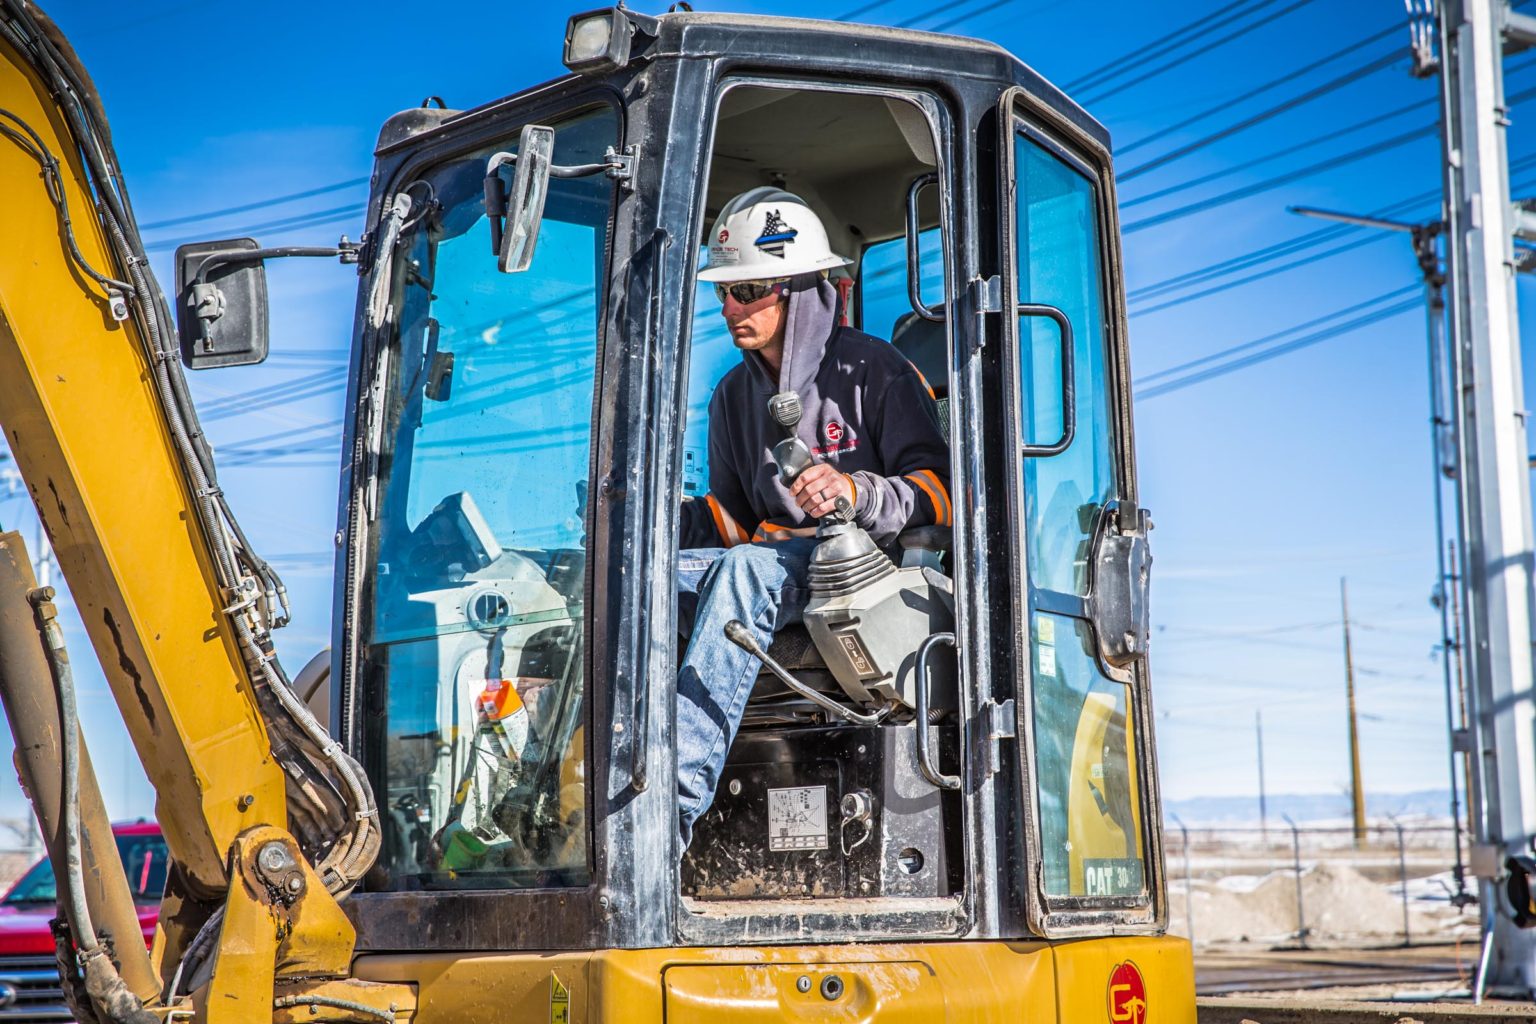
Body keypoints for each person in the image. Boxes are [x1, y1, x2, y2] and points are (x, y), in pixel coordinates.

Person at [675, 187, 952, 848]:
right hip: (776, 566)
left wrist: (856, 492)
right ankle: (593, 791)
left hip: (868, 572)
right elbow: (735, 523)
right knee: (640, 582)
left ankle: (670, 812)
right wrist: (658, 522)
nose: (729, 307)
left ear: (799, 290)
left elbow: (940, 495)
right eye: (724, 293)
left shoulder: (874, 369)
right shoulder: (733, 397)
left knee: (744, 573)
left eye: (747, 292)